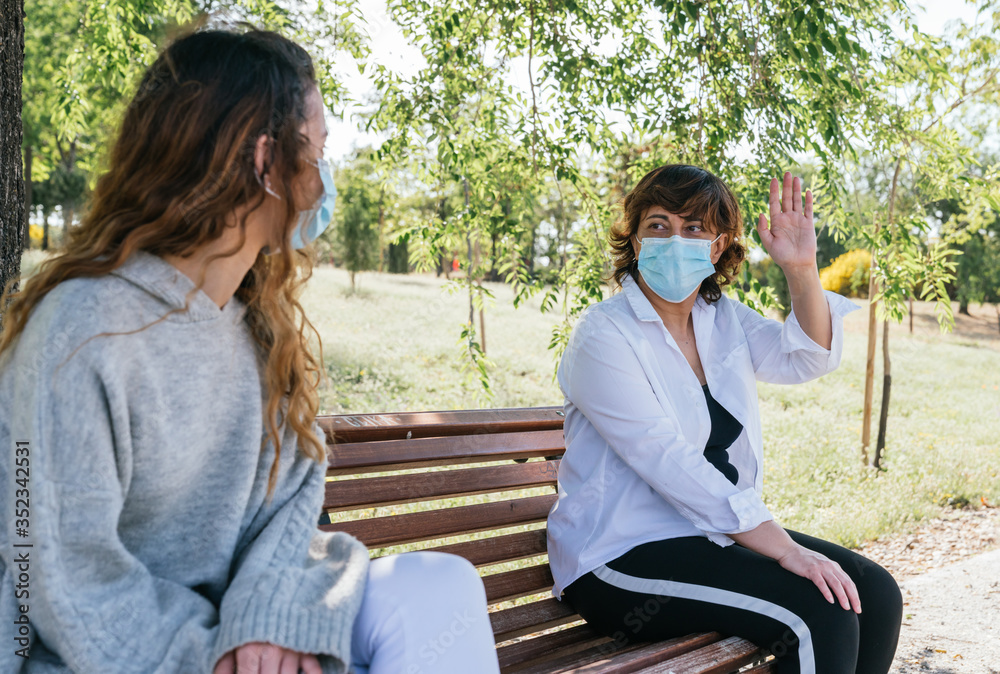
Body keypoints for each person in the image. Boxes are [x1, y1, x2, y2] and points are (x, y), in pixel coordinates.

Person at [0, 27, 500, 674]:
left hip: (243, 635)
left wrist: (268, 622)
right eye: (318, 150)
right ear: (265, 160)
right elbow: (60, 574)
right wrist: (217, 657)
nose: (324, 177)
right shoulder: (83, 331)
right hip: (119, 655)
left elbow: (293, 508)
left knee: (439, 588)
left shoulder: (256, 328)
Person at [546, 164, 902, 673]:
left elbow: (806, 357)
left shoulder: (722, 318)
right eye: (658, 224)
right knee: (818, 614)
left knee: (874, 593)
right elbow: (668, 461)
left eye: (693, 228)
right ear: (636, 239)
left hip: (706, 539)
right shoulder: (604, 336)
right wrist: (784, 550)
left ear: (717, 247)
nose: (674, 239)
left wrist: (801, 269)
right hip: (618, 556)